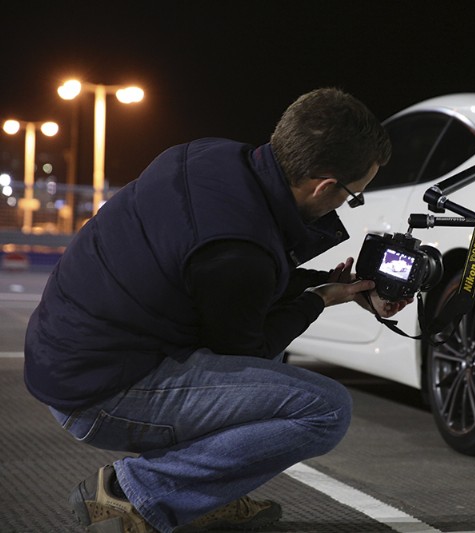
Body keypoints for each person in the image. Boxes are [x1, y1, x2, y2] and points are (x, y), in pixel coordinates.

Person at [24, 88, 405, 533]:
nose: (346, 204)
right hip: (97, 395)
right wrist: (318, 300)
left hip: (69, 357)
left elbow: (232, 283)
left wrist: (326, 284)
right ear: (324, 184)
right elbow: (246, 349)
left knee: (275, 375)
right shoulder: (238, 251)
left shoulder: (207, 157)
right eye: (352, 195)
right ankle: (135, 491)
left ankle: (199, 499)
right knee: (325, 409)